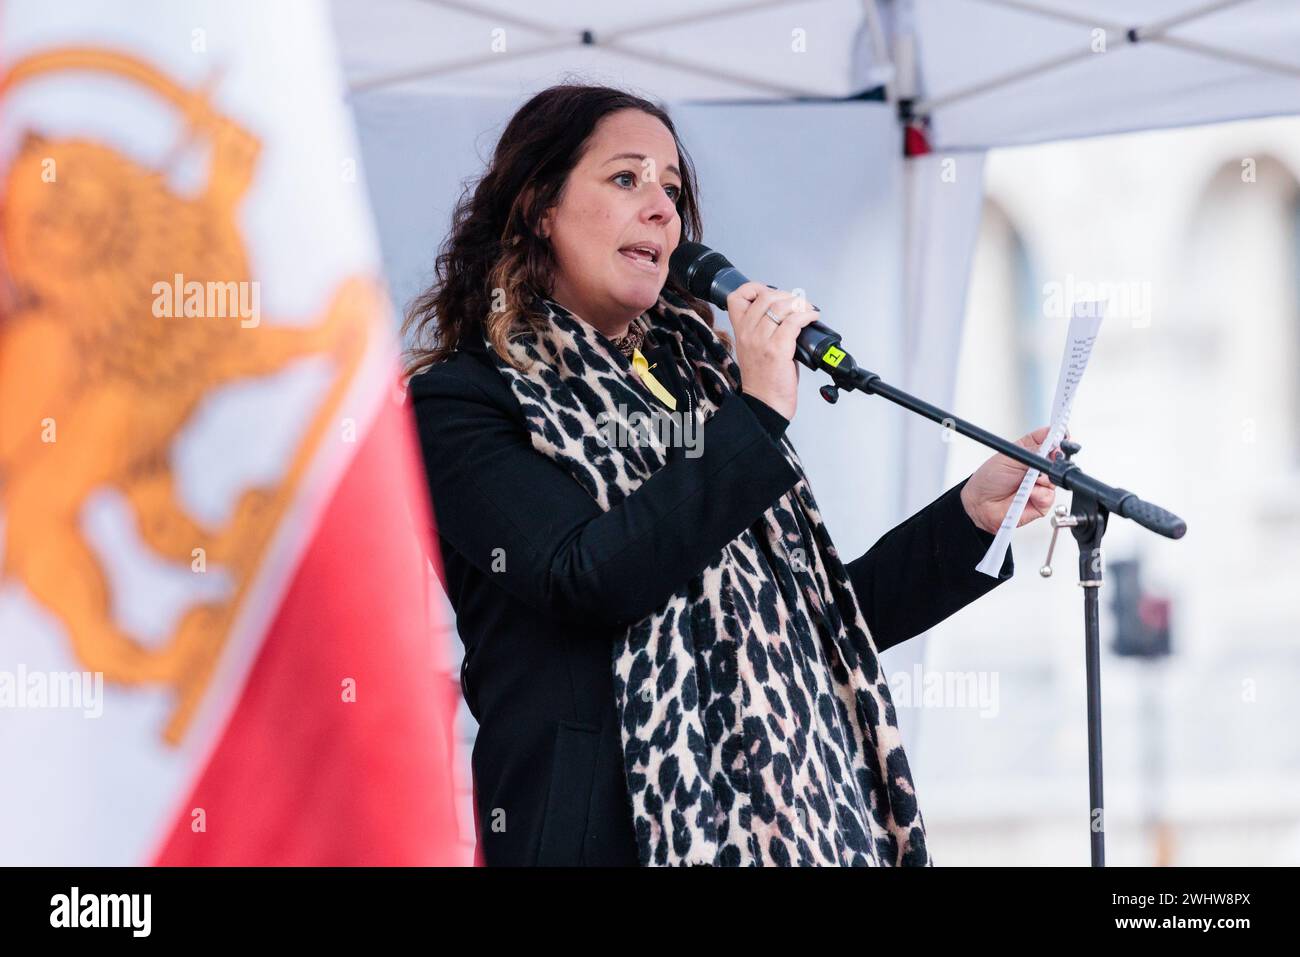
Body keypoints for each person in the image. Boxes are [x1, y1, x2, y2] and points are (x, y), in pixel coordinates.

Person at [405, 84, 1060, 867]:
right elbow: (586, 575)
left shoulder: (699, 388)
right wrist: (752, 418)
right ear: (539, 206)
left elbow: (819, 628)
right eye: (627, 179)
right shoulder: (461, 400)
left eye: (673, 189)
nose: (662, 209)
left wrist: (969, 519)